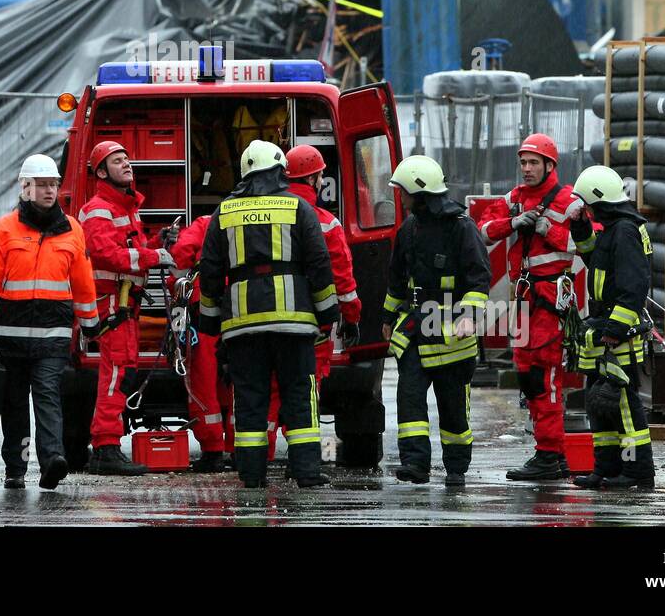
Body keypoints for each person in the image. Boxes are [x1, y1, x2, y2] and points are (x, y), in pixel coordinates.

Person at [196, 139, 339, 489]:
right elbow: (319, 263)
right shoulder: (298, 208)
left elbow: (210, 272)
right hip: (294, 324)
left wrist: (211, 324)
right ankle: (306, 472)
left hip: (243, 328)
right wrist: (327, 314)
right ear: (281, 170)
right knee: (299, 397)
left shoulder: (224, 212)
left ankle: (251, 475)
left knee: (250, 400)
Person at [0, 154, 100, 490]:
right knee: (14, 405)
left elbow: (83, 282)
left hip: (52, 336)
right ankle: (16, 468)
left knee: (48, 397)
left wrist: (91, 324)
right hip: (8, 338)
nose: (49, 191)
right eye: (42, 185)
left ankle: (53, 461)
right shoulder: (1, 231)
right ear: (25, 187)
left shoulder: (72, 231)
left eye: (53, 185)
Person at [478, 133, 582, 481]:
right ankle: (555, 453)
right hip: (524, 301)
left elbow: (585, 244)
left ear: (549, 165)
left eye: (533, 162)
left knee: (545, 377)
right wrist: (512, 223)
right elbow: (483, 230)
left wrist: (546, 229)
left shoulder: (569, 202)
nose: (526, 169)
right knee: (528, 375)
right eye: (523, 162)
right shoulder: (515, 199)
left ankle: (549, 455)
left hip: (548, 302)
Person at [382, 155, 490, 487]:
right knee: (410, 398)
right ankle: (415, 464)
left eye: (403, 192)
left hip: (453, 337)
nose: (400, 197)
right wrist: (388, 317)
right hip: (416, 332)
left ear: (419, 191)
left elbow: (479, 278)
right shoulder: (409, 229)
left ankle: (456, 467)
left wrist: (469, 316)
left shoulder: (461, 227)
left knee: (453, 407)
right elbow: (397, 279)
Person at [78, 140, 175, 475]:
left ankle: (107, 444)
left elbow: (131, 248)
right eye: (117, 161)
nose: (127, 164)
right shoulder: (98, 210)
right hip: (111, 305)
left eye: (127, 159)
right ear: (101, 171)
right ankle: (105, 447)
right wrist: (153, 256)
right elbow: (109, 255)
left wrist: (160, 242)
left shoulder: (125, 207)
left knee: (124, 373)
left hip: (125, 305)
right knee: (117, 373)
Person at [265, 146, 362, 470]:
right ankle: (303, 464)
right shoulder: (324, 222)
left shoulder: (265, 214)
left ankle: (256, 462)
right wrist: (351, 319)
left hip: (261, 319)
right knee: (305, 391)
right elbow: (343, 279)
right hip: (310, 325)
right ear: (315, 177)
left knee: (267, 394)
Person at [567, 165, 655, 490]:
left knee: (623, 407)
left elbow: (633, 288)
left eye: (588, 204)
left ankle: (636, 472)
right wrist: (581, 229)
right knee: (599, 404)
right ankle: (605, 469)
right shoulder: (613, 229)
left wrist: (615, 330)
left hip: (615, 335)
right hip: (603, 330)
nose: (586, 208)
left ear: (600, 201)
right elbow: (597, 261)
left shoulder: (626, 231)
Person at [165, 213, 232, 472]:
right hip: (244, 310)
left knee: (202, 382)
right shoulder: (254, 220)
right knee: (243, 382)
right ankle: (242, 450)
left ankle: (213, 451)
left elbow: (179, 257)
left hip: (204, 314)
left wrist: (176, 282)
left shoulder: (205, 222)